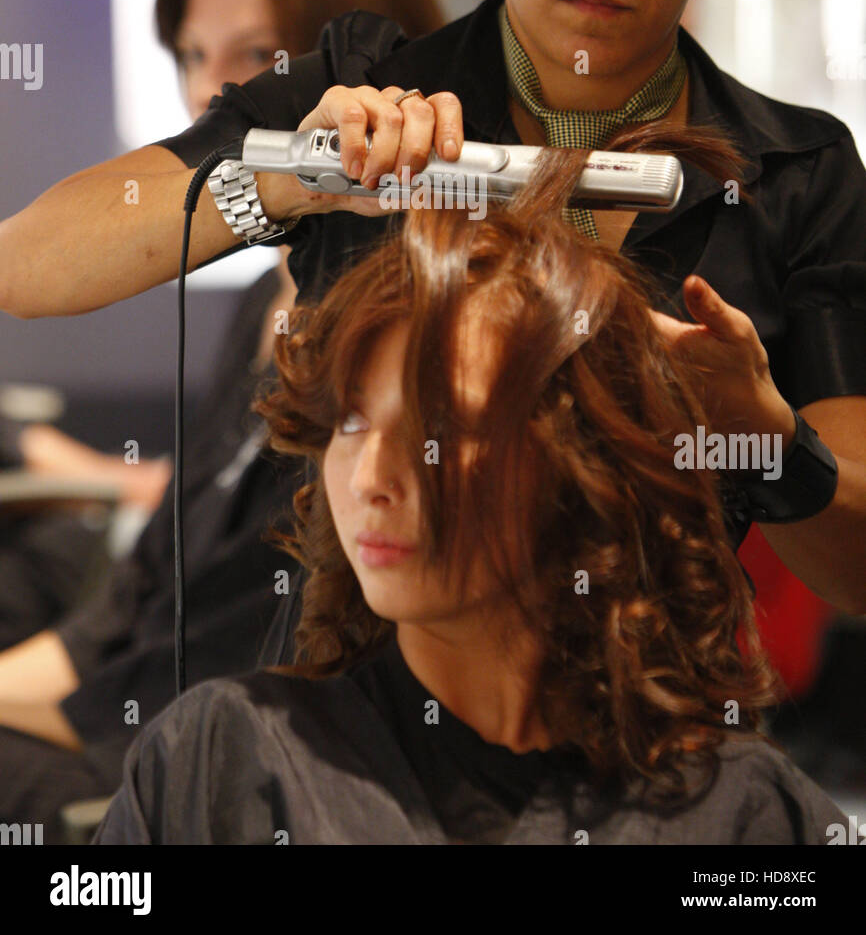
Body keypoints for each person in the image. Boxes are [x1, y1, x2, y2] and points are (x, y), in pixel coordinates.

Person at [1, 0, 864, 618]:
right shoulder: (362, 87)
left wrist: (766, 436)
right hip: (357, 706)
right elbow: (28, 266)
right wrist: (292, 183)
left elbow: (858, 572)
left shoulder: (795, 172)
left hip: (644, 710)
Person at [94, 142, 845, 845]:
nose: (371, 480)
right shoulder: (219, 761)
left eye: (441, 429)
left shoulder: (738, 814)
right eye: (351, 422)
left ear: (581, 460)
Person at [0, 0, 444, 841]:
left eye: (252, 61)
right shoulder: (260, 299)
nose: (211, 97)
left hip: (232, 759)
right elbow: (129, 614)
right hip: (134, 715)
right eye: (193, 59)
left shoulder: (395, 329)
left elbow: (216, 652)